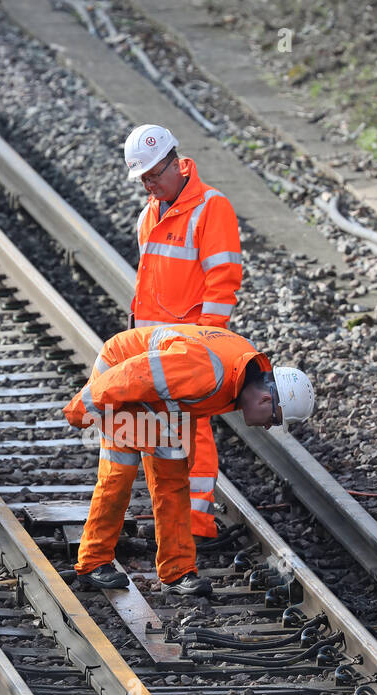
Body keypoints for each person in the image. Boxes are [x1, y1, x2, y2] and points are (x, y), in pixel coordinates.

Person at [63, 324, 314, 597]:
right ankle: (93, 562)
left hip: (164, 401)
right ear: (266, 398)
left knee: (173, 479)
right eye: (274, 419)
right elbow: (134, 375)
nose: (268, 427)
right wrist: (83, 406)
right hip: (120, 375)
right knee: (118, 473)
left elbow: (164, 383)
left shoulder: (242, 375)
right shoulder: (207, 372)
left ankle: (177, 571)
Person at [124, 123, 242, 540]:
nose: (149, 186)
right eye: (143, 180)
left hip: (189, 347)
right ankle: (171, 525)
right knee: (158, 436)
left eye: (155, 176)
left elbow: (223, 280)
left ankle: (197, 526)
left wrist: (207, 342)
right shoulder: (149, 214)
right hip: (154, 349)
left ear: (176, 163)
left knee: (193, 433)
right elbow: (146, 285)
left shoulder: (212, 207)